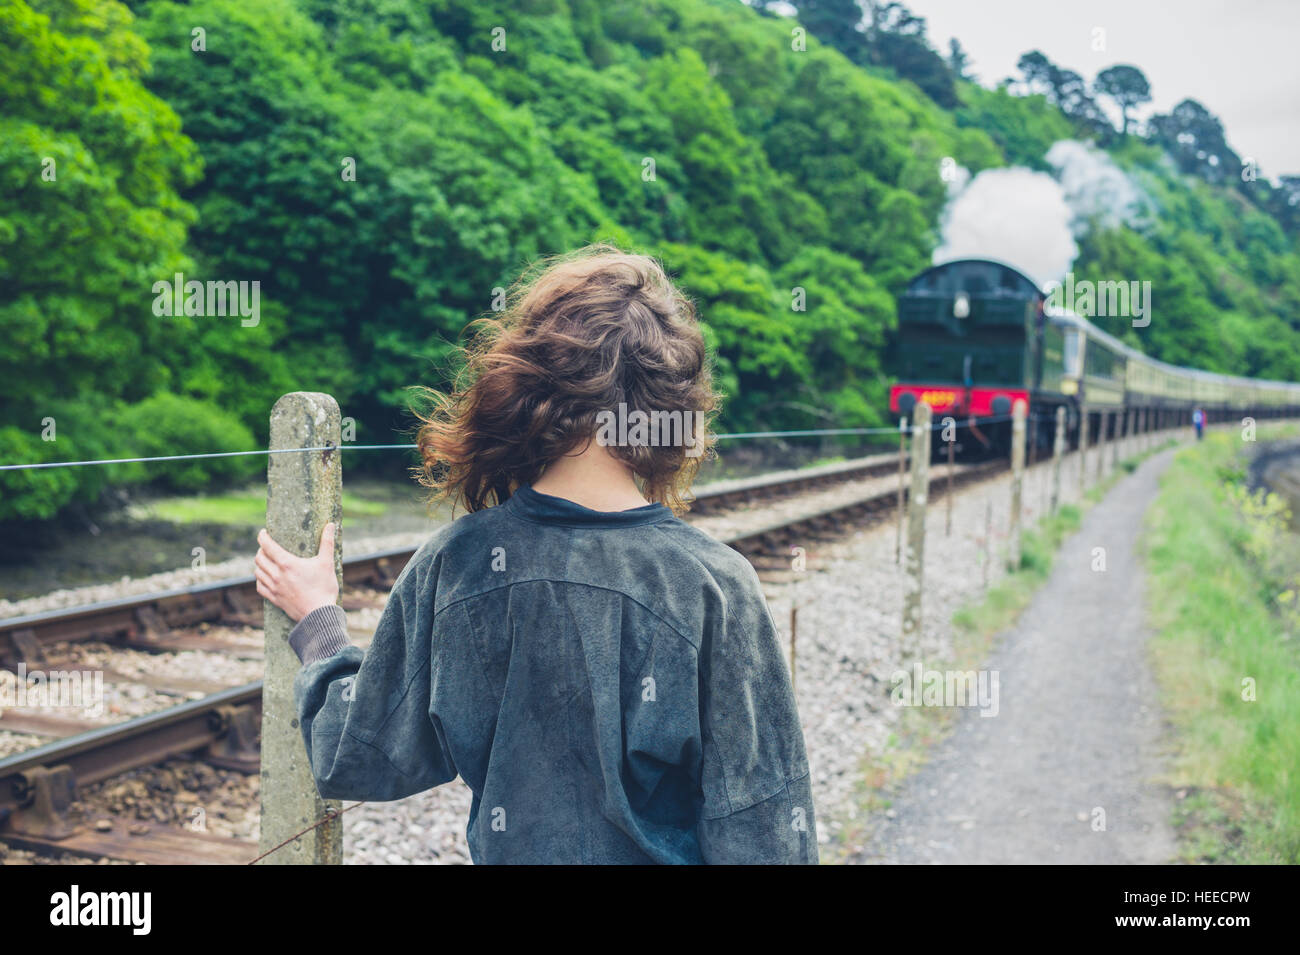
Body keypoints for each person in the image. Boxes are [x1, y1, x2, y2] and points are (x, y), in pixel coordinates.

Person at [254, 245, 818, 864]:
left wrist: (318, 623)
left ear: (527, 387)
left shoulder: (458, 562)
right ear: (674, 410)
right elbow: (764, 827)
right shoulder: (715, 586)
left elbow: (357, 756)